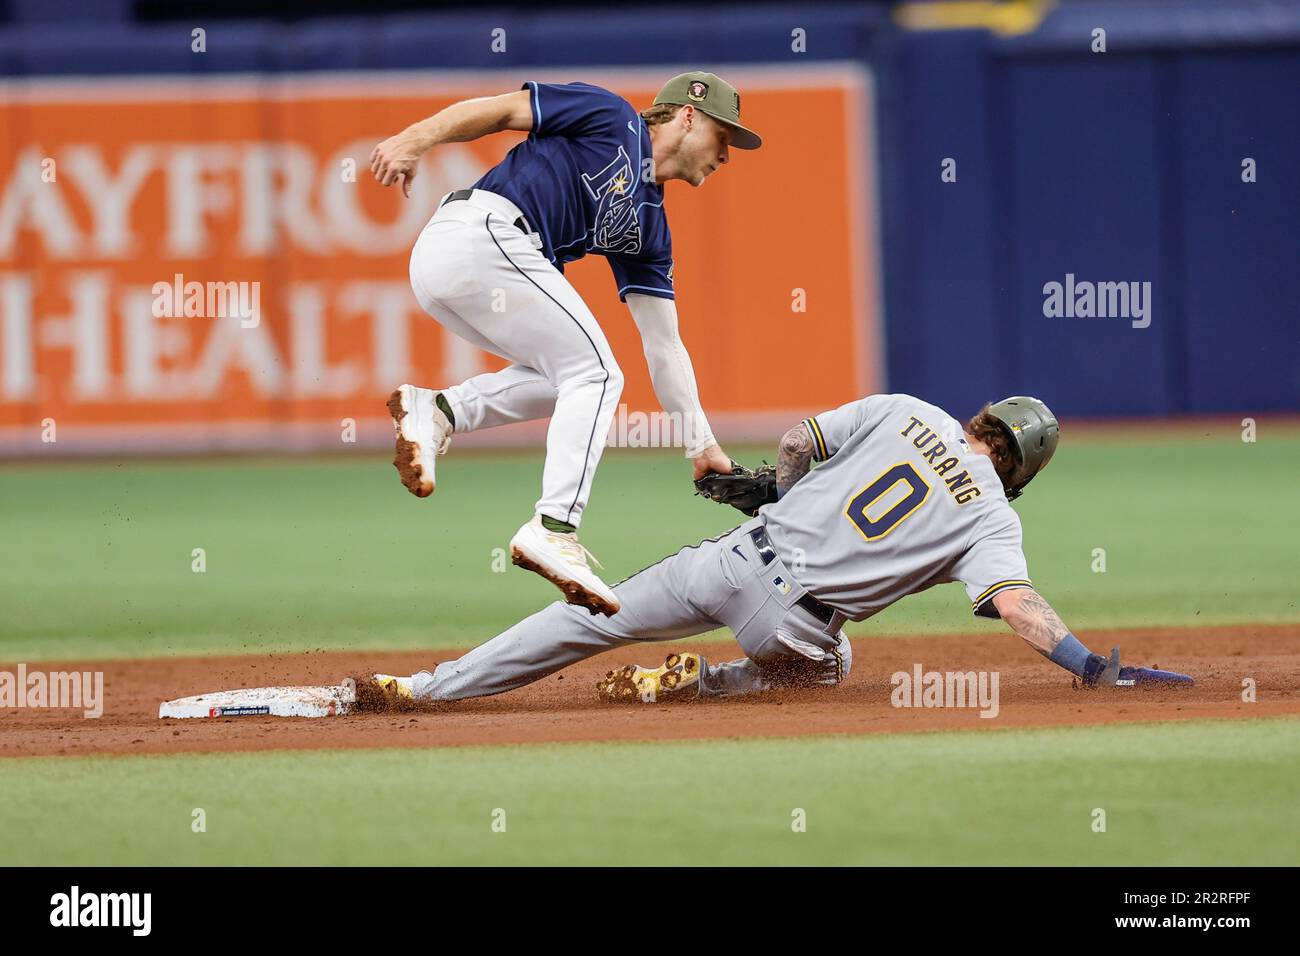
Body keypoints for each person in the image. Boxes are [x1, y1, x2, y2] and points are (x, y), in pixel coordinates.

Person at [372, 394, 1193, 704]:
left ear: (980, 424)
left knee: (592, 614)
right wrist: (1091, 666)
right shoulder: (994, 520)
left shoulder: (908, 409)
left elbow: (798, 438)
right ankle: (703, 686)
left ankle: (429, 688)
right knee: (828, 673)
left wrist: (780, 490)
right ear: (1020, 468)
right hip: (794, 628)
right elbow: (1014, 603)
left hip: (731, 559)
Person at [370, 71, 762, 616]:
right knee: (597, 373)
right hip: (478, 232)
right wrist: (416, 139)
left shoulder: (649, 227)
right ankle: (553, 528)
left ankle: (437, 409)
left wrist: (702, 447)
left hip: (470, 266)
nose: (727, 155)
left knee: (571, 378)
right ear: (688, 115)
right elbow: (502, 111)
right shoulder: (612, 116)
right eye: (725, 137)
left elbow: (664, 346)